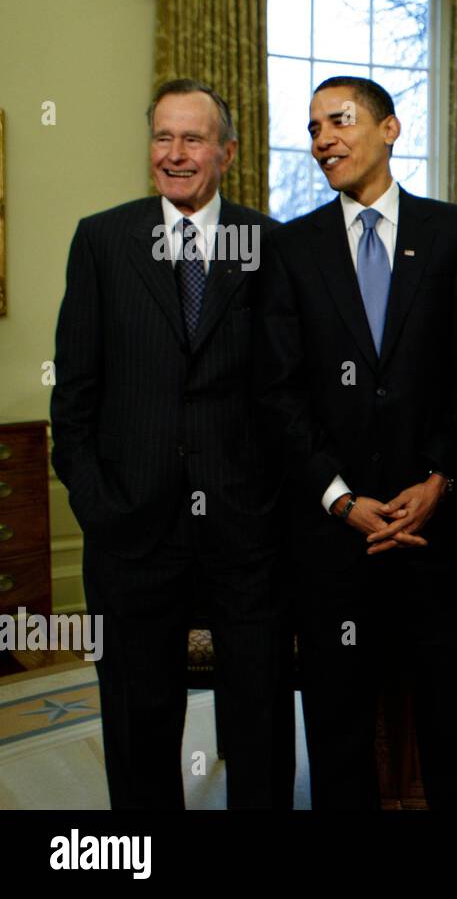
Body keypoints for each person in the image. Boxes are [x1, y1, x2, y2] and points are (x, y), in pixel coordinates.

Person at [256, 76, 457, 809]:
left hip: (437, 535)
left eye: (339, 121)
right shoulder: (290, 247)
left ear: (390, 130)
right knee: (338, 734)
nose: (323, 139)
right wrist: (339, 498)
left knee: (453, 728)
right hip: (335, 542)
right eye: (312, 128)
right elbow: (277, 390)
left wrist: (441, 480)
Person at [51, 78, 293, 809]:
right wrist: (99, 505)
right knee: (137, 718)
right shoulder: (102, 240)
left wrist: (274, 504)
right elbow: (75, 396)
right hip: (132, 529)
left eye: (193, 139)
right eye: (163, 137)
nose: (176, 153)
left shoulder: (271, 244)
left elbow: (289, 391)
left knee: (260, 718)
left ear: (227, 151)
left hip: (245, 531)